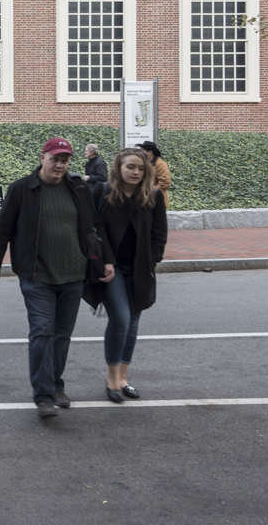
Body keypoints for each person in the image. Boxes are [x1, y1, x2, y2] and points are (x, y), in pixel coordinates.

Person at [0, 137, 114, 420]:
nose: (60, 164)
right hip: (36, 274)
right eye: (55, 159)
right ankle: (43, 396)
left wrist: (107, 260)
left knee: (62, 335)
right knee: (42, 331)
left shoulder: (78, 187)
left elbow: (94, 225)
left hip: (74, 274)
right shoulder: (22, 189)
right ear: (43, 158)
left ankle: (55, 385)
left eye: (65, 160)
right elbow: (2, 230)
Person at [85, 147, 168, 403]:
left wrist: (152, 261)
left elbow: (159, 234)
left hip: (140, 267)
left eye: (141, 168)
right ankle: (111, 380)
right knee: (120, 320)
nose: (136, 172)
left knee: (133, 324)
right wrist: (106, 260)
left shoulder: (152, 196)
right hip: (112, 268)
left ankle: (123, 378)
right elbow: (94, 227)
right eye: (131, 166)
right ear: (119, 167)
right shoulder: (104, 192)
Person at [140, 140, 172, 205]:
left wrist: (150, 194)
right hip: (143, 200)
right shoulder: (142, 163)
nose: (140, 153)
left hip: (156, 201)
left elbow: (165, 183)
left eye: (142, 151)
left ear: (150, 152)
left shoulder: (160, 164)